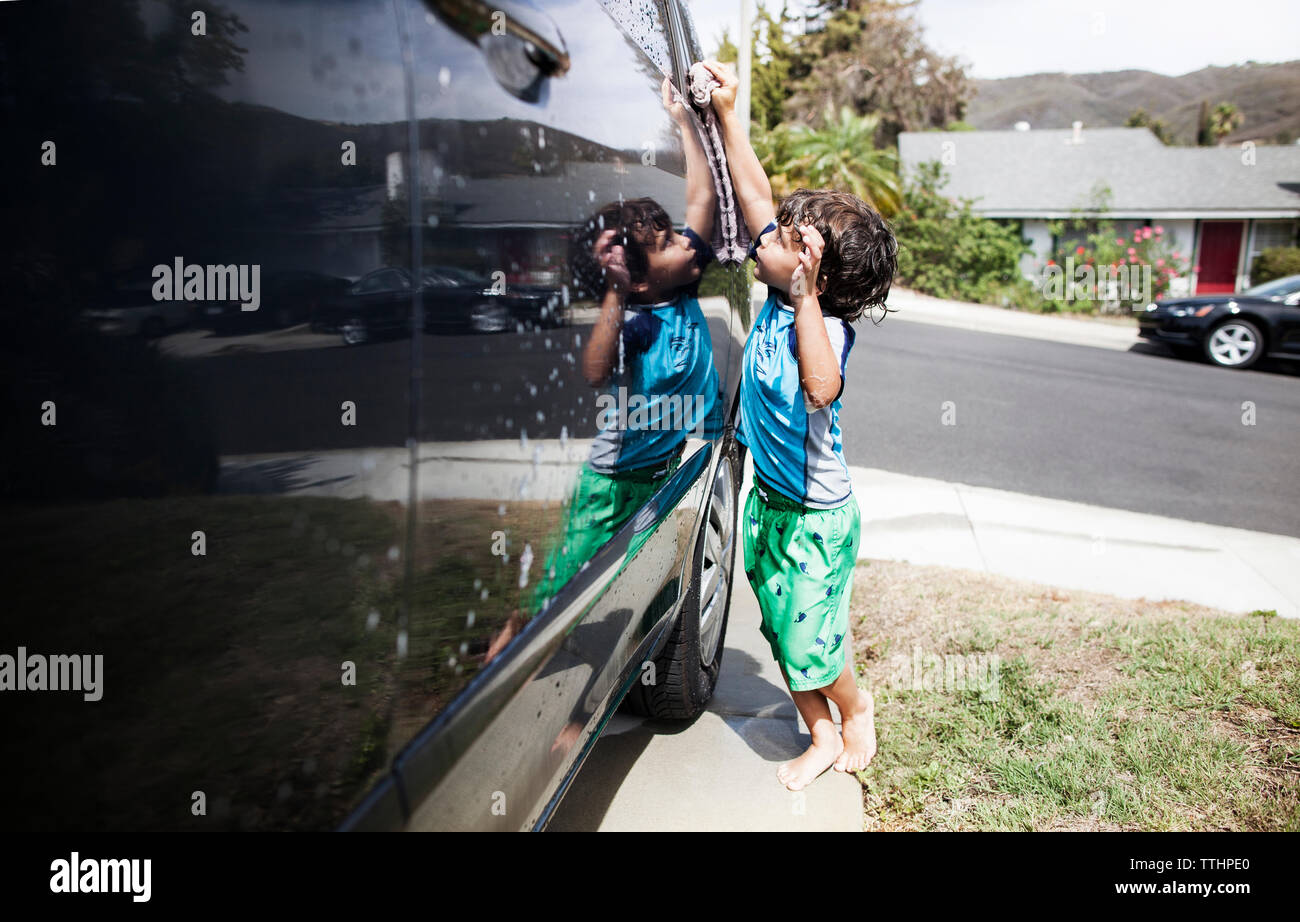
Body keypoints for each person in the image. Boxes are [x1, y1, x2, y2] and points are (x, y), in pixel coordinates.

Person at [700, 59, 899, 791]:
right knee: (785, 631)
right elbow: (754, 191)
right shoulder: (785, 291)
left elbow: (821, 389)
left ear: (811, 274)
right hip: (772, 506)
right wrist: (728, 113)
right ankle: (819, 731)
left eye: (786, 238)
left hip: (818, 516)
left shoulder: (824, 328)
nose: (768, 237)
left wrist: (809, 296)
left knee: (814, 637)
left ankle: (856, 705)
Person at [480, 76, 722, 664]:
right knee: (561, 583)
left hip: (658, 471)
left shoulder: (682, 287)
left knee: (623, 585)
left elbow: (703, 200)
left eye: (667, 240)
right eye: (664, 244)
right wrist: (615, 293)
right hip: (612, 480)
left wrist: (685, 119)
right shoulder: (637, 320)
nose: (683, 246)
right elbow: (594, 371)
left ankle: (581, 661)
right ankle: (501, 660)